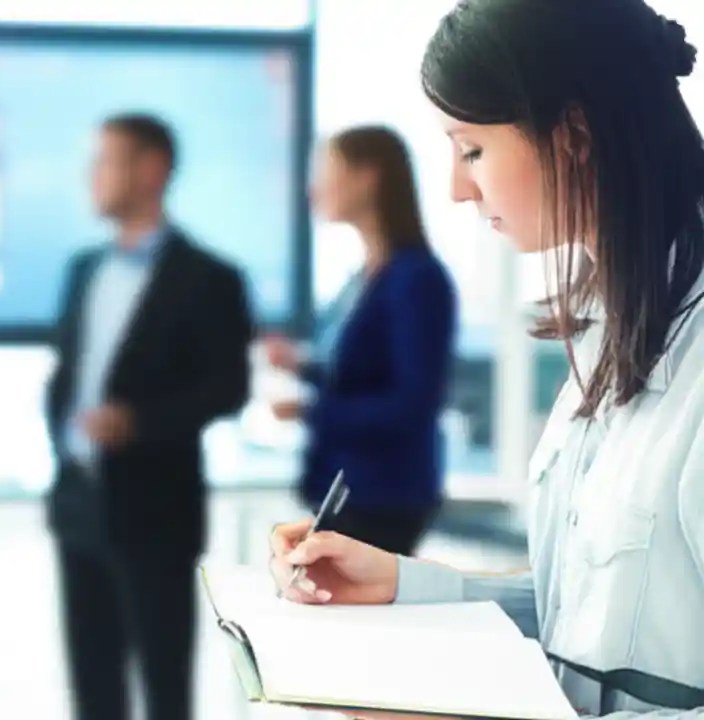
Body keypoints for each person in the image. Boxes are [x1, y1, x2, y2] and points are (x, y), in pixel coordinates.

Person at [270, 0, 704, 716]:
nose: (456, 187)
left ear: (574, 137)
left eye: (471, 149)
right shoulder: (611, 330)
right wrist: (402, 586)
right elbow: (583, 625)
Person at [46, 113, 253, 720]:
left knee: (164, 687)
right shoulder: (83, 270)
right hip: (78, 506)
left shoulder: (210, 279)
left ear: (151, 169)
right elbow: (68, 374)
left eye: (105, 160)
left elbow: (228, 389)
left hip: (156, 511)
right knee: (93, 689)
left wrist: (139, 421)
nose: (92, 175)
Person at [266, 126, 457, 555]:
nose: (313, 188)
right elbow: (358, 373)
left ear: (367, 177)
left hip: (382, 495)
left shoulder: (417, 279)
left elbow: (412, 402)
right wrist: (301, 366)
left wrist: (309, 411)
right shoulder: (363, 276)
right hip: (343, 485)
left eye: (326, 171)